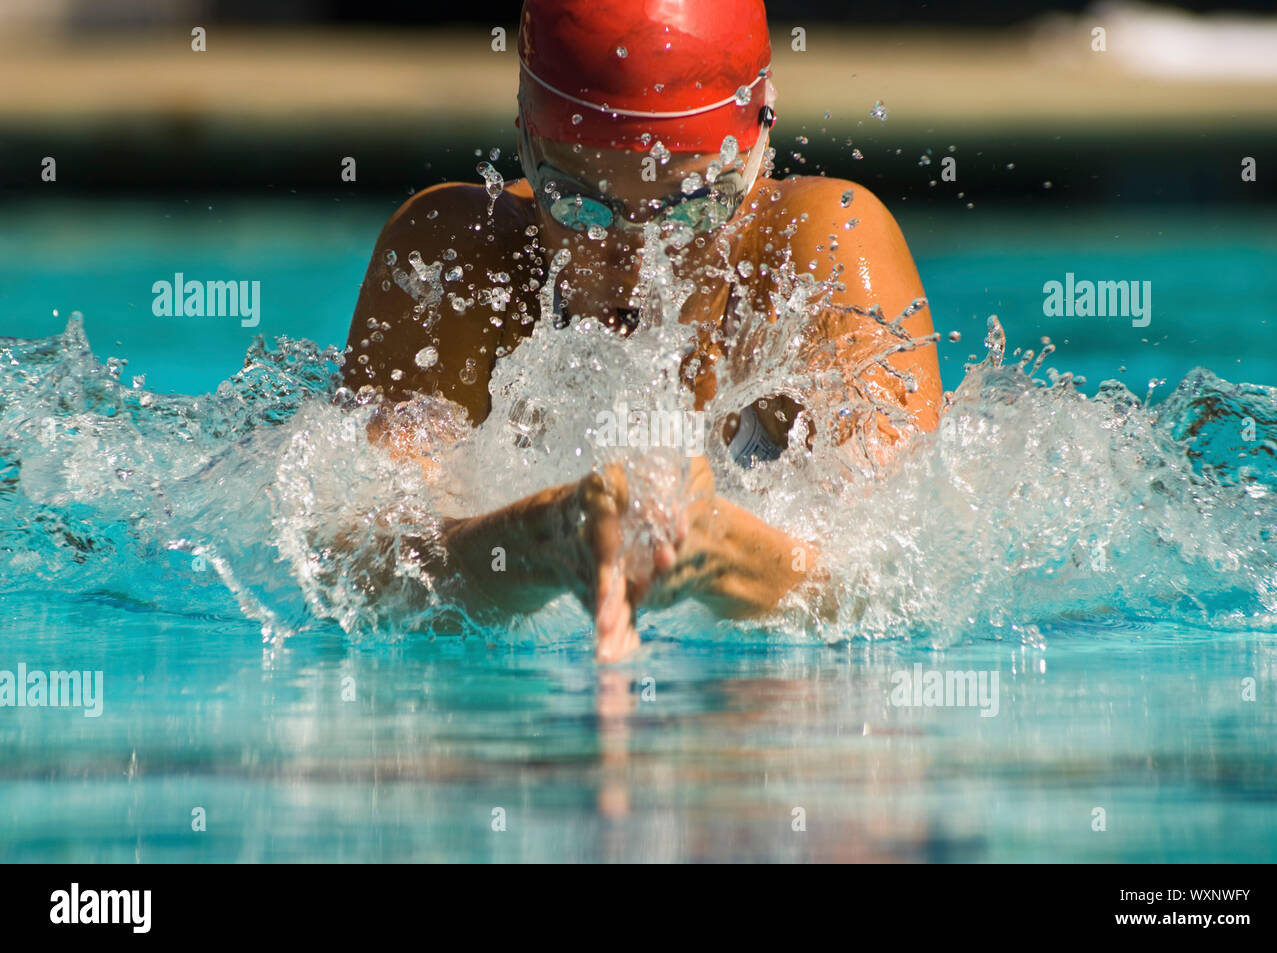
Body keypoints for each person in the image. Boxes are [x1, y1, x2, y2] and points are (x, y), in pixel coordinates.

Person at [341, 0, 942, 662]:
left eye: (691, 210)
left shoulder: (822, 255)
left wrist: (723, 551)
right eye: (580, 204)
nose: (634, 260)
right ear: (526, 144)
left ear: (757, 154)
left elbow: (907, 581)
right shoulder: (456, 261)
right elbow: (353, 569)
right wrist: (538, 540)